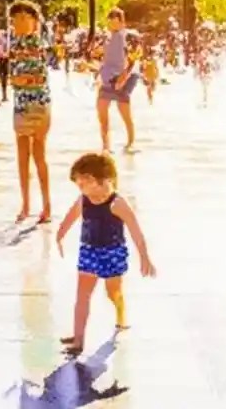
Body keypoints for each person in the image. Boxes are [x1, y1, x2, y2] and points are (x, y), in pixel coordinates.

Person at [54, 152, 155, 356]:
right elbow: (70, 217)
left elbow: (136, 230)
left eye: (82, 184)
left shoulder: (118, 204)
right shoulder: (83, 200)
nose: (81, 189)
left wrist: (144, 256)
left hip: (112, 252)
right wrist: (60, 234)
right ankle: (78, 339)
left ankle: (120, 311)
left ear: (97, 181)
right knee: (82, 294)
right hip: (89, 250)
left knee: (113, 292)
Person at [8, 0, 52, 224]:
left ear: (35, 21)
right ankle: (26, 204)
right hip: (21, 103)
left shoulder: (38, 44)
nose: (19, 22)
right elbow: (12, 76)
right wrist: (18, 80)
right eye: (16, 19)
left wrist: (22, 79)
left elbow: (41, 77)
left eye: (25, 18)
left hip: (38, 103)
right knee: (22, 157)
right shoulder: (15, 44)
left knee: (39, 155)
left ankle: (45, 205)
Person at [95, 9, 138, 154]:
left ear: (122, 21)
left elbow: (133, 58)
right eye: (110, 20)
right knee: (101, 109)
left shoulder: (128, 36)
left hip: (123, 76)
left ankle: (131, 142)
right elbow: (102, 58)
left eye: (116, 20)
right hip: (107, 77)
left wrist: (124, 77)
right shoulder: (106, 37)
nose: (113, 23)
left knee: (124, 110)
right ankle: (106, 145)